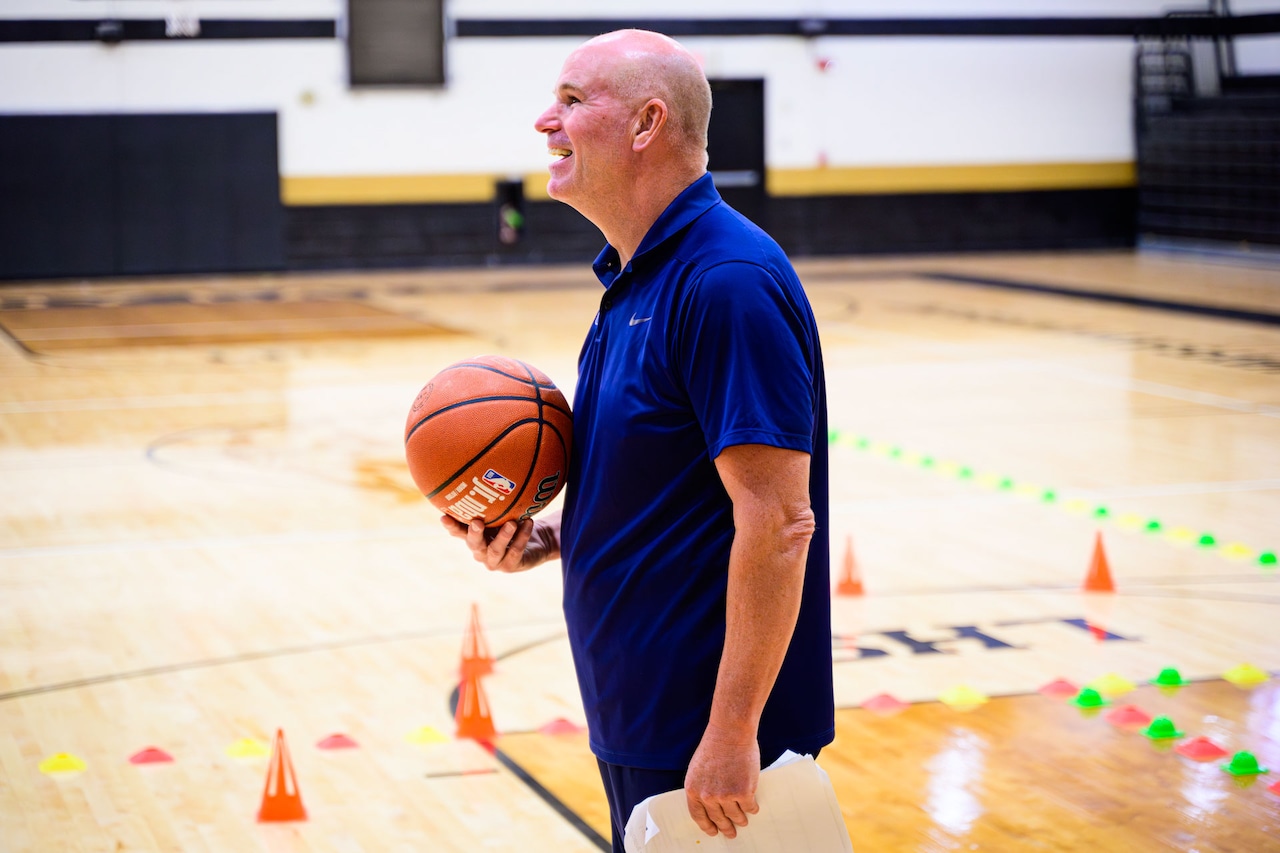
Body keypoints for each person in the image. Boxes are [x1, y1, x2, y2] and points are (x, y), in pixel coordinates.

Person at [442, 29, 833, 852]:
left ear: (648, 124)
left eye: (574, 102)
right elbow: (660, 488)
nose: (547, 121)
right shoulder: (632, 279)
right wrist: (546, 537)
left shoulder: (724, 283)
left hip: (706, 736)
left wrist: (732, 735)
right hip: (641, 716)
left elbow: (780, 523)